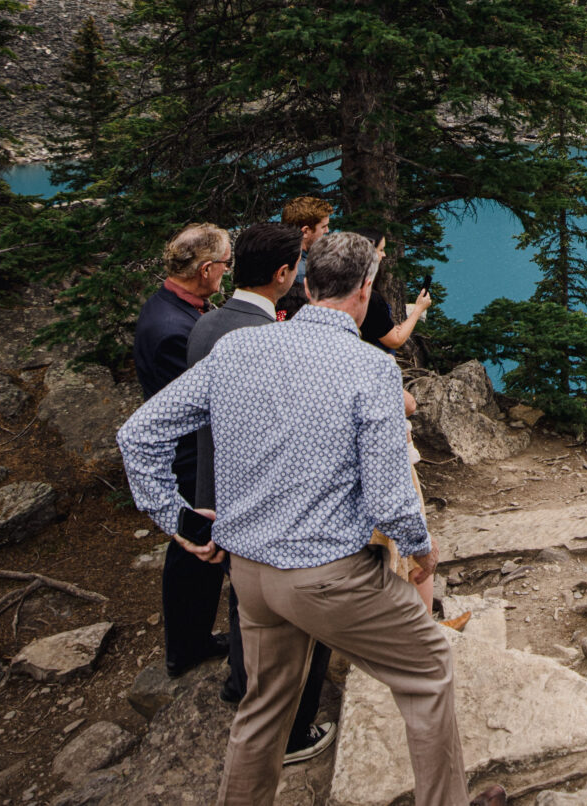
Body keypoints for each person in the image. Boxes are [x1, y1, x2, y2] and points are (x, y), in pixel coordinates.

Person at [117, 231, 476, 806]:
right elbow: (389, 496)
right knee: (430, 665)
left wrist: (181, 521)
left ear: (306, 285)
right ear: (365, 290)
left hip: (252, 576)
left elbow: (138, 436)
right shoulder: (370, 369)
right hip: (328, 576)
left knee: (264, 706)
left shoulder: (238, 350)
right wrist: (422, 550)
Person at [183, 223, 335, 765]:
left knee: (241, 595)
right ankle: (291, 728)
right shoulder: (263, 338)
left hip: (214, 488)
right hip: (255, 496)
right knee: (288, 613)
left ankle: (239, 679)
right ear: (283, 273)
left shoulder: (207, 326)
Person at [131, 222, 233, 678]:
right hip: (190, 458)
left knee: (200, 550)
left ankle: (191, 639)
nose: (228, 272)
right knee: (194, 549)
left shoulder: (173, 305)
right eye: (226, 264)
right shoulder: (173, 329)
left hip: (192, 453)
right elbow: (193, 402)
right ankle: (185, 648)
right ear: (207, 269)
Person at [352, 228, 432, 354]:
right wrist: (418, 309)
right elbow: (395, 340)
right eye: (381, 250)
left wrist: (388, 328)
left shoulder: (342, 286)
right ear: (368, 253)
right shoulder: (371, 299)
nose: (383, 255)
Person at [276, 194, 334, 318]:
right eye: (323, 226)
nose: (327, 231)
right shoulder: (300, 271)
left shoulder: (277, 255)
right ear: (306, 231)